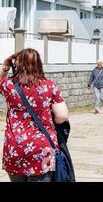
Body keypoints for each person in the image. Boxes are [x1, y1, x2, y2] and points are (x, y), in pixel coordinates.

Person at [0, 48, 69, 182]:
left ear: (17, 64)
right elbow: (62, 116)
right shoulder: (49, 86)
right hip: (42, 147)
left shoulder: (9, 85)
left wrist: (5, 65)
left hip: (15, 147)